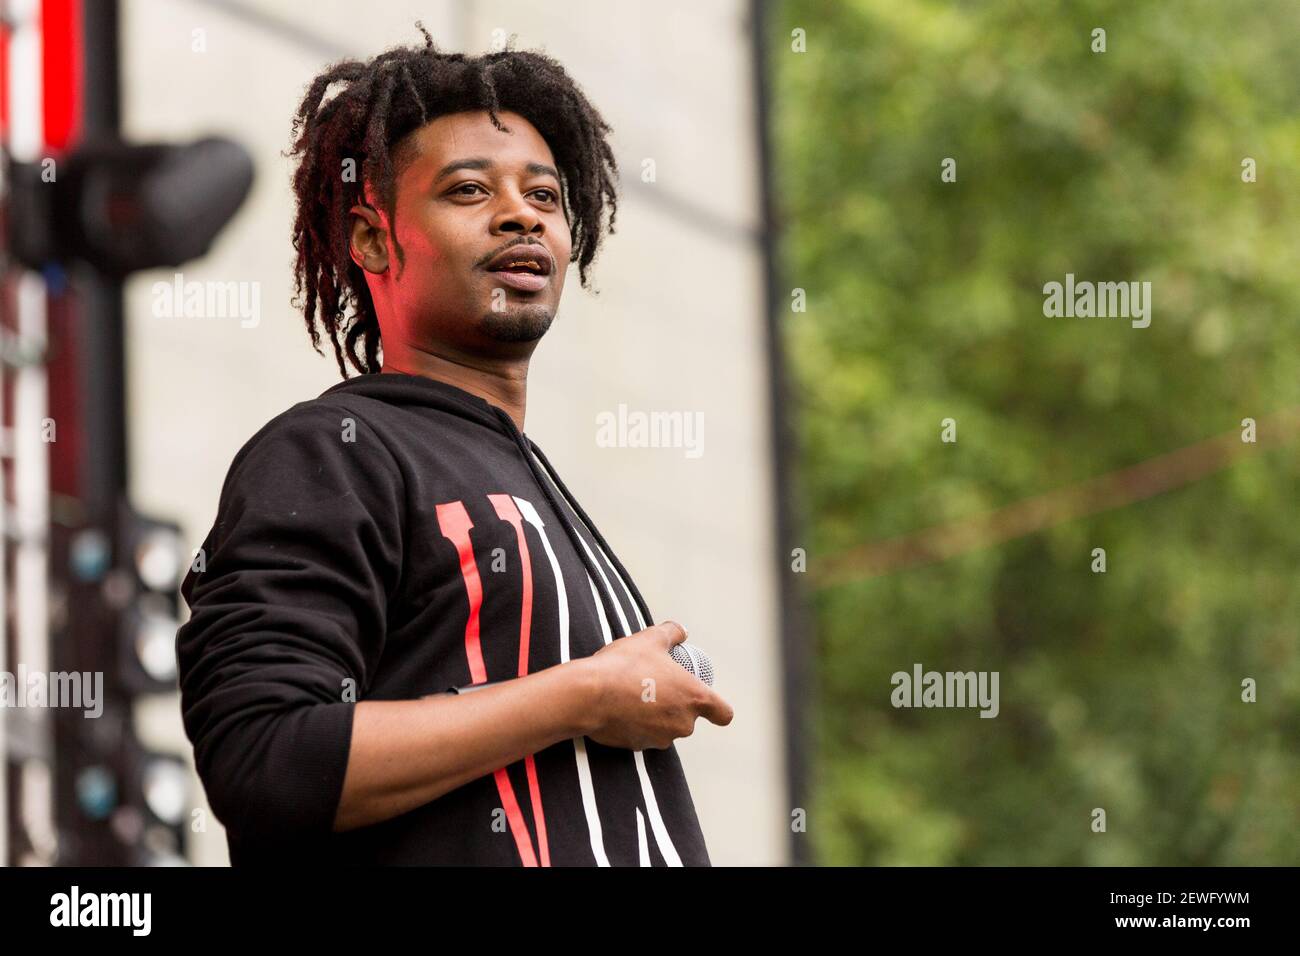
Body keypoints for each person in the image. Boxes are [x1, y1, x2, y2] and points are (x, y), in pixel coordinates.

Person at [175, 28, 733, 866]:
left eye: (544, 197)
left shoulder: (533, 481)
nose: (520, 214)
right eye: (469, 190)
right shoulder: (332, 452)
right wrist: (582, 694)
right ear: (371, 240)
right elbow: (266, 759)